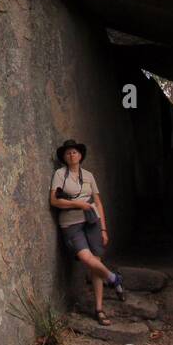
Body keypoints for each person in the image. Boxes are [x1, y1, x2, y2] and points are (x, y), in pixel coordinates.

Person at [49, 138, 126, 325]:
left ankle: (99, 309)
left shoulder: (89, 176)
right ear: (64, 157)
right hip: (70, 222)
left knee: (95, 264)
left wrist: (103, 228)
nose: (71, 154)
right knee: (86, 258)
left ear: (80, 155)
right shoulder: (60, 174)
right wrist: (78, 204)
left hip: (92, 221)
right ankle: (113, 278)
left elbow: (98, 202)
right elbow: (54, 201)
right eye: (68, 153)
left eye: (74, 152)